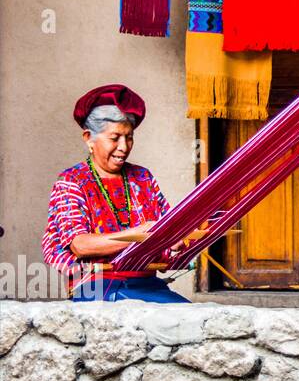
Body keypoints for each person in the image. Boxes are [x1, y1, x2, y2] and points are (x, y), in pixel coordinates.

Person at [43, 84, 189, 303]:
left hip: (147, 285)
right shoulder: (72, 181)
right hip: (96, 286)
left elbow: (167, 228)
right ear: (88, 138)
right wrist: (140, 233)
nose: (124, 146)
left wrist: (174, 241)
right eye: (115, 138)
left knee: (187, 317)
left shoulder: (143, 178)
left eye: (129, 137)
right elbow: (80, 245)